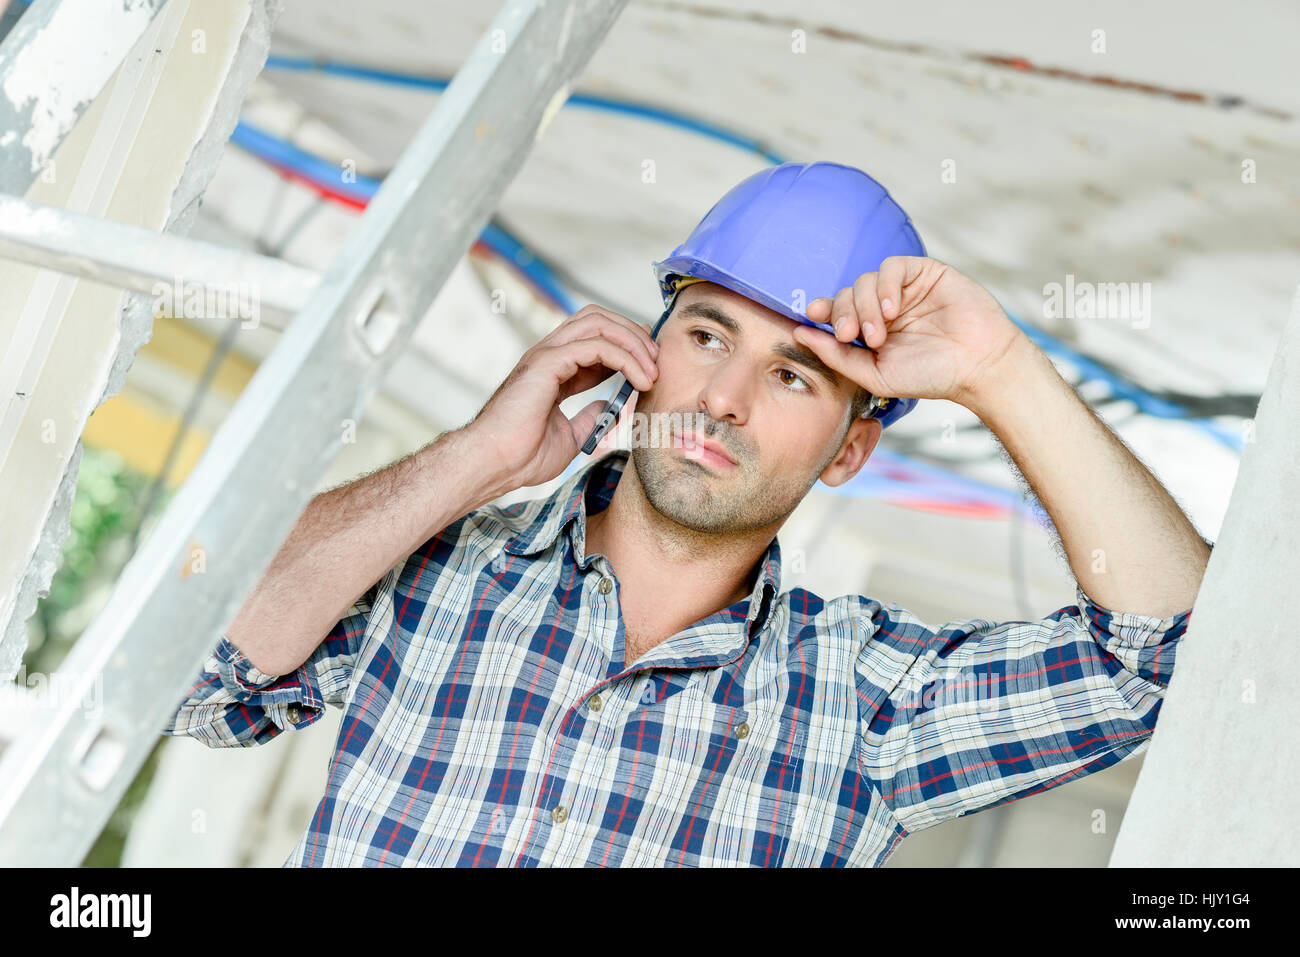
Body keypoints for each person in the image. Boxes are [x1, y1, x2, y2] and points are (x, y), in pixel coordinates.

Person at [163, 163, 1208, 867]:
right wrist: (475, 459)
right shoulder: (430, 576)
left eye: (793, 376)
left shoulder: (869, 702)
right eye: (707, 336)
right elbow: (182, 670)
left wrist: (999, 372)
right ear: (641, 355)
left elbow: (1160, 655)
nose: (723, 397)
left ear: (851, 448)